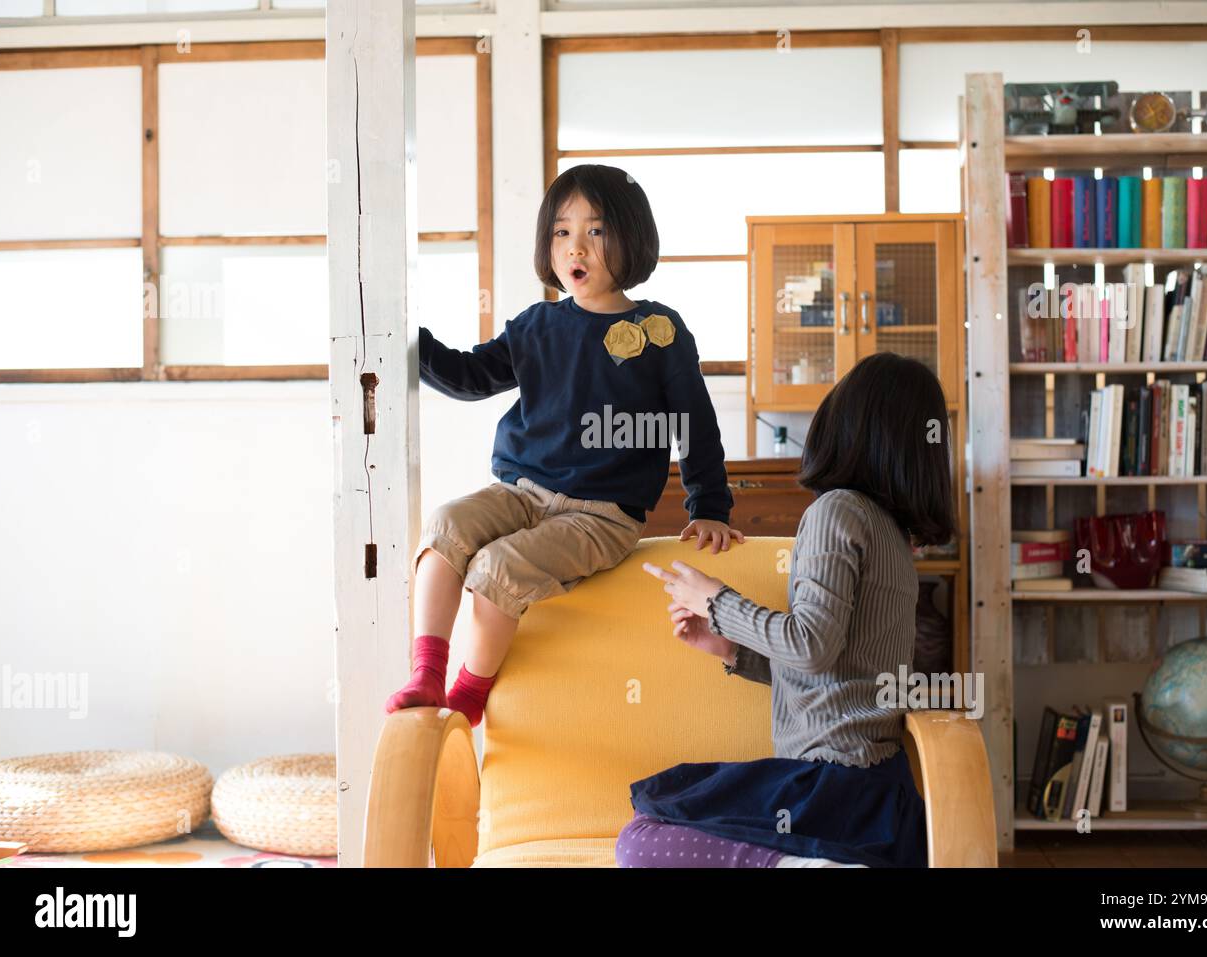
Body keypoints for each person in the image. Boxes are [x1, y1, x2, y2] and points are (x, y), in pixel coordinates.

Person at [386, 163, 745, 727]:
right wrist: (407, 335)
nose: (576, 244)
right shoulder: (536, 325)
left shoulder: (661, 331)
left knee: (499, 567)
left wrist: (712, 508)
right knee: (446, 526)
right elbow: (470, 377)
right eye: (561, 230)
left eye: (596, 231)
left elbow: (694, 422)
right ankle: (426, 673)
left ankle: (469, 695)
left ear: (632, 237)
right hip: (522, 492)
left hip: (601, 516)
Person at [628, 352, 955, 867]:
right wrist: (733, 648)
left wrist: (716, 600)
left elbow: (811, 645)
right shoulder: (894, 539)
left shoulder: (837, 510)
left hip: (827, 785)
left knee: (641, 837)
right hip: (876, 795)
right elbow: (842, 673)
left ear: (847, 423)